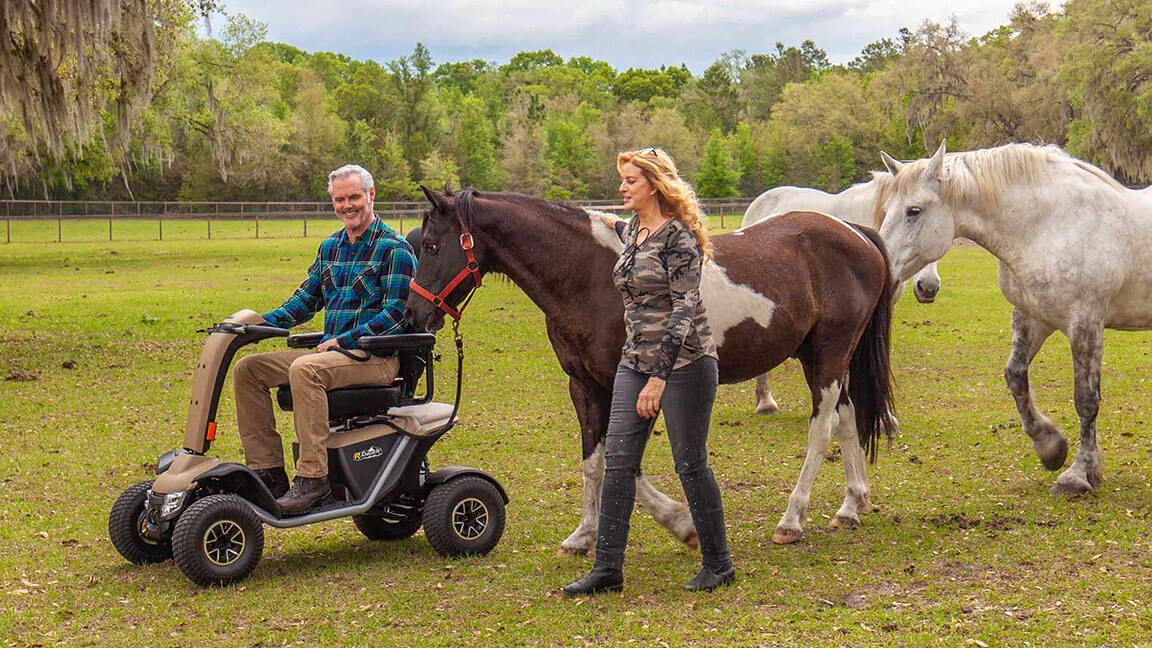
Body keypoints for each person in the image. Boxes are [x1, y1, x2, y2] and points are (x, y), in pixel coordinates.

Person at [563, 147, 734, 595]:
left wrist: (659, 378)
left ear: (654, 186)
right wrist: (576, 214)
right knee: (619, 463)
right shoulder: (635, 228)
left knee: (689, 464)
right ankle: (607, 569)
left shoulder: (680, 239)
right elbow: (612, 223)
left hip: (686, 363)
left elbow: (685, 309)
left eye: (630, 181)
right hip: (634, 359)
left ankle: (719, 563)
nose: (622, 187)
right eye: (621, 180)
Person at [233, 164, 417, 513]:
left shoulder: (395, 248)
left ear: (371, 196)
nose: (347, 206)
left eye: (354, 197)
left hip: (374, 358)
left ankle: (313, 479)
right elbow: (305, 300)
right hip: (333, 354)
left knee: (305, 369)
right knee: (248, 369)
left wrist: (345, 340)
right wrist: (258, 326)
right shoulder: (330, 247)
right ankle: (268, 473)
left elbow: (396, 316)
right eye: (339, 199)